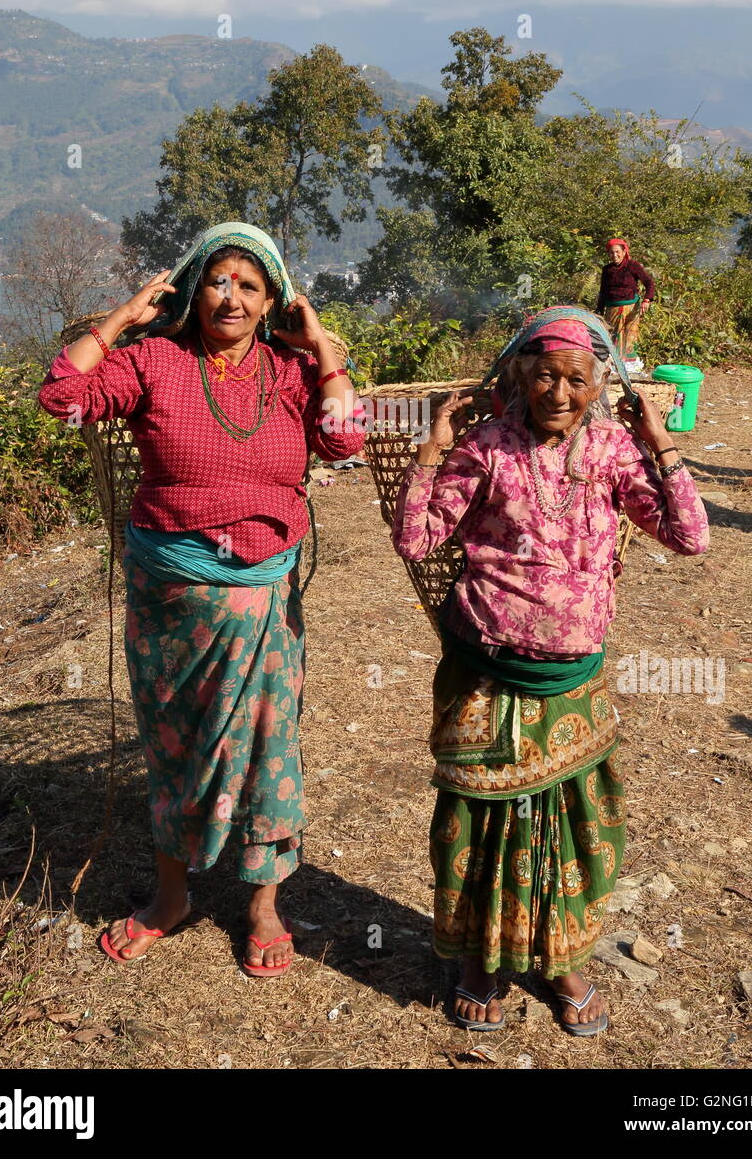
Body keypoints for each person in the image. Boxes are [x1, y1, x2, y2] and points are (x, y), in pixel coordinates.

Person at [38, 222, 365, 975]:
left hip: (262, 597)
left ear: (271, 302)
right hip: (171, 597)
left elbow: (344, 441)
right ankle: (171, 898)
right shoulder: (155, 360)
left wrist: (322, 351)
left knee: (265, 750)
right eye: (218, 281)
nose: (230, 297)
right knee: (175, 746)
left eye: (249, 286)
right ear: (194, 290)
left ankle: (261, 906)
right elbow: (62, 396)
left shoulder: (289, 372)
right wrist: (121, 318)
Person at [391, 308, 708, 1035]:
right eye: (544, 375)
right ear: (519, 377)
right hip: (487, 674)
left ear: (598, 383)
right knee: (481, 824)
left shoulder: (611, 451)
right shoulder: (488, 449)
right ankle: (478, 961)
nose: (558, 392)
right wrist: (432, 448)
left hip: (570, 685)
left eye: (575, 378)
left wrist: (658, 442)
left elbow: (690, 536)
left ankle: (562, 960)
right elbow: (416, 539)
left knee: (569, 827)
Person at [595, 237, 655, 372]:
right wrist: (599, 310)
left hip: (630, 309)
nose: (614, 255)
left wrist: (647, 300)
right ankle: (613, 368)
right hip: (612, 310)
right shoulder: (607, 270)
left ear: (624, 252)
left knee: (629, 338)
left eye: (617, 252)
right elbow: (603, 291)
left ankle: (630, 369)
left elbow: (649, 283)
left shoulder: (633, 266)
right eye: (611, 253)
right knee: (611, 337)